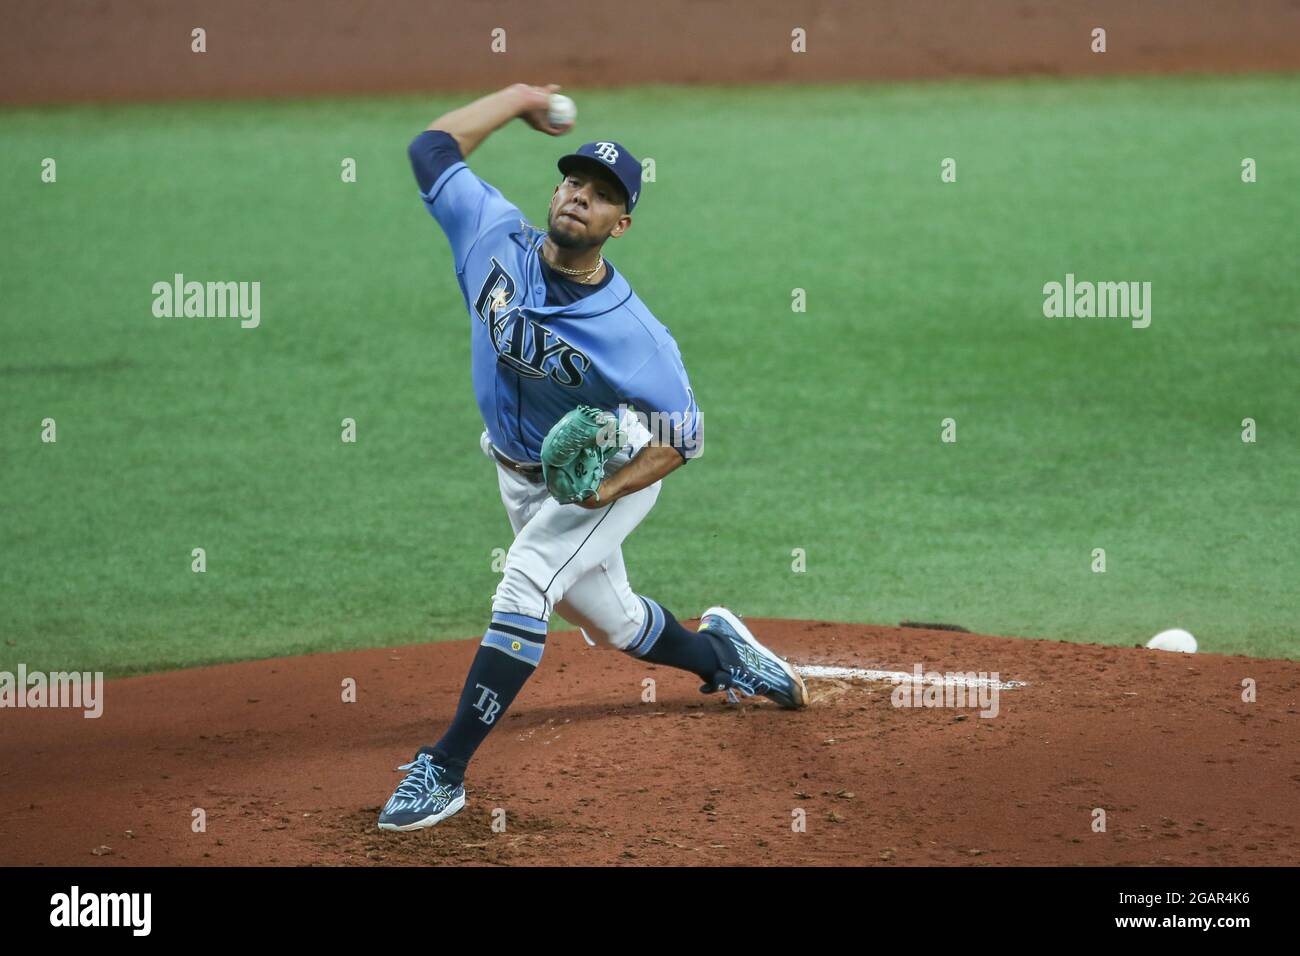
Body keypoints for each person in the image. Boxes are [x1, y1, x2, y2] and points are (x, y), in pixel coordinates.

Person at [378, 83, 807, 832]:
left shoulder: (636, 337)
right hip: (516, 470)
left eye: (603, 194)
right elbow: (430, 149)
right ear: (555, 192)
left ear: (621, 223)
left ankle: (444, 768)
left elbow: (684, 437)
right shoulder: (489, 235)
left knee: (526, 580)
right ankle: (723, 658)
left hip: (604, 473)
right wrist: (517, 97)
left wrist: (606, 491)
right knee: (613, 622)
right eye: (575, 181)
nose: (582, 197)